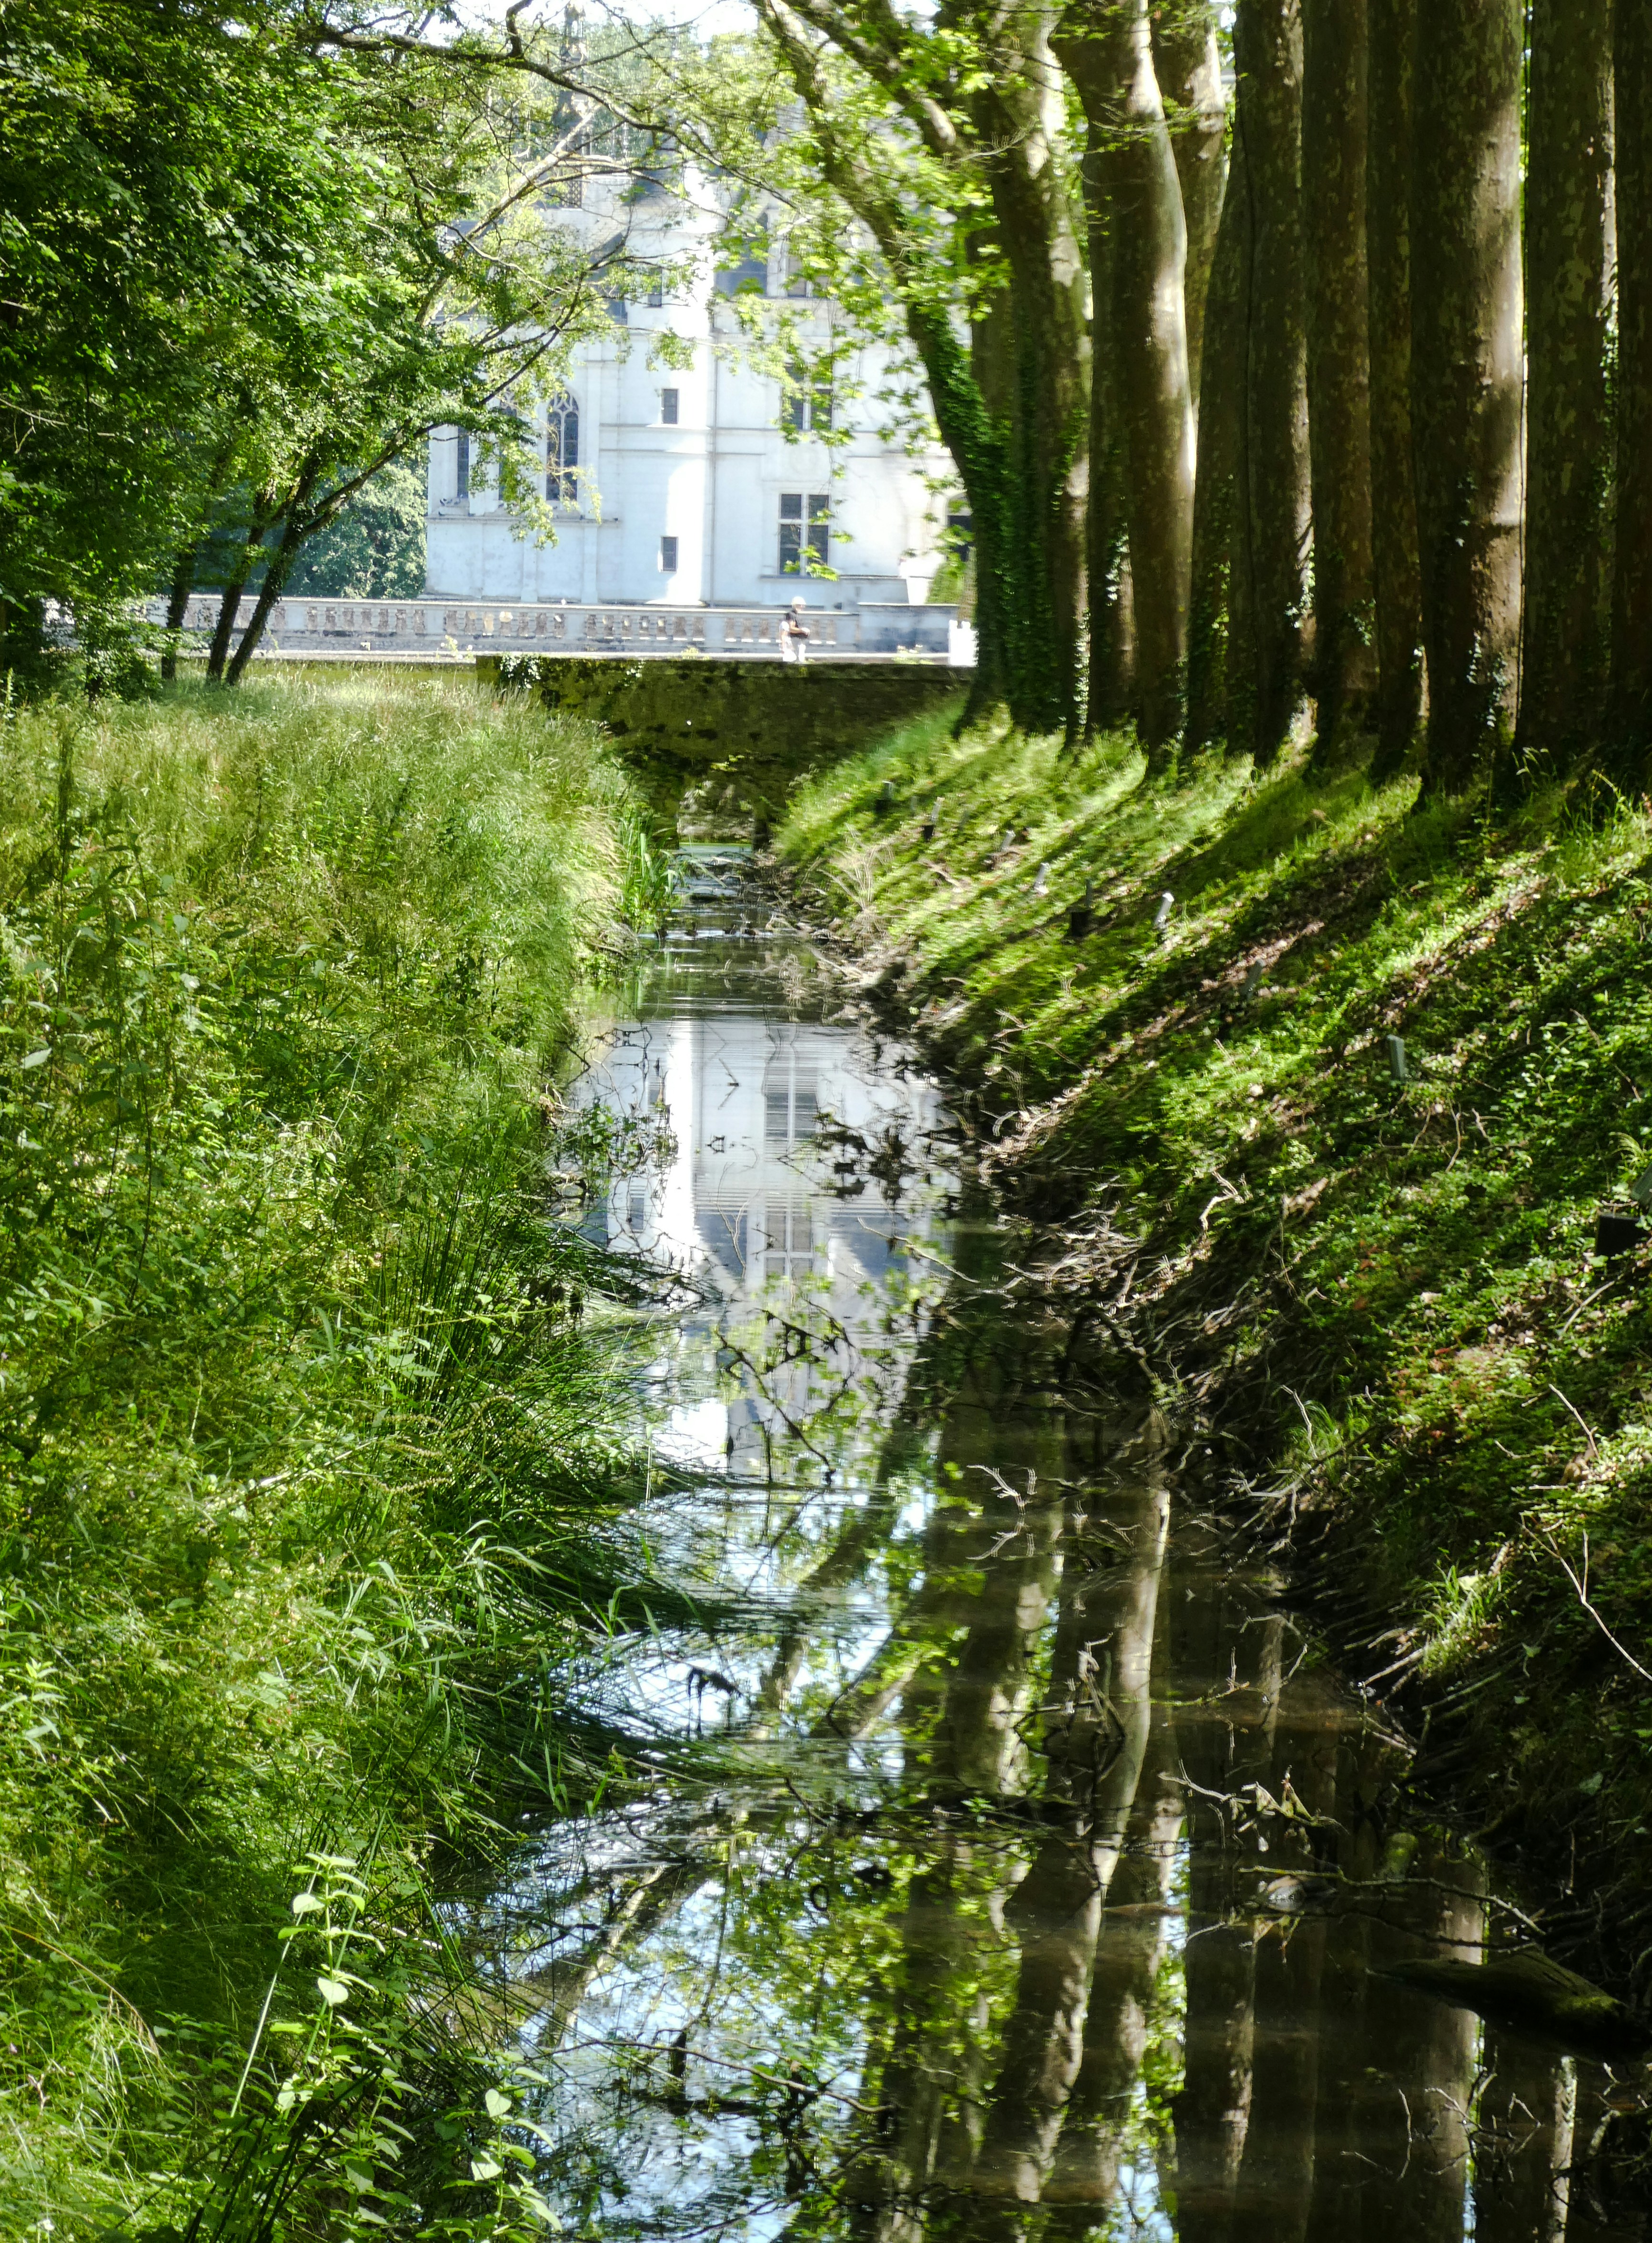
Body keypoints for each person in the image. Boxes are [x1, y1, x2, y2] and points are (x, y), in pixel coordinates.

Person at [778, 595, 811, 665]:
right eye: (801, 605)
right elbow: (791, 629)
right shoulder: (792, 615)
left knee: (798, 660)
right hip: (794, 641)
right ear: (797, 605)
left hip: (795, 641)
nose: (803, 607)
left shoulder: (794, 615)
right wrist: (802, 630)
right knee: (797, 661)